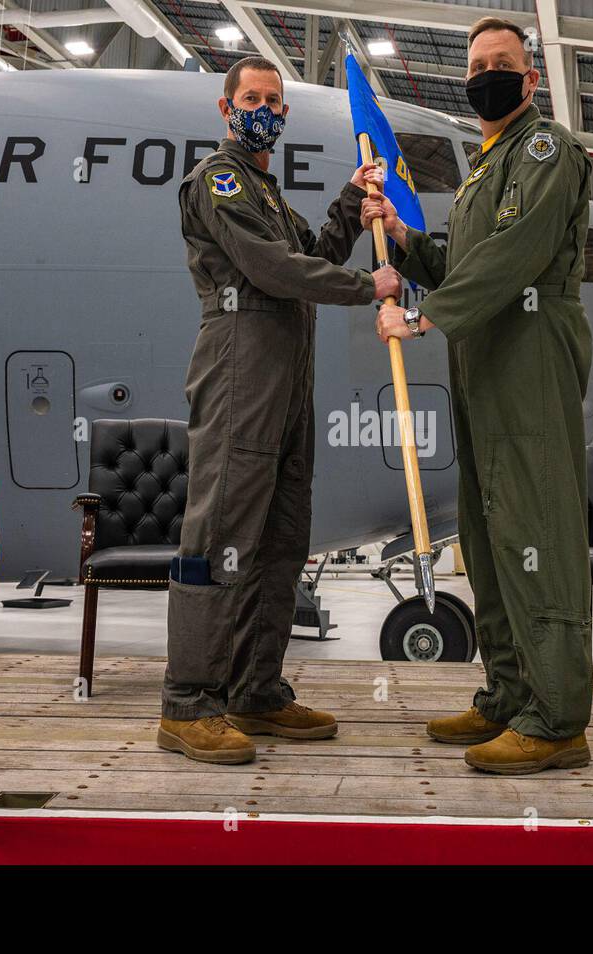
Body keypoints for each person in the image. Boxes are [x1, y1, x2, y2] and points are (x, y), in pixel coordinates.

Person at [362, 17, 593, 775]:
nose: (486, 74)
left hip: (527, 358)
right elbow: (459, 259)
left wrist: (424, 316)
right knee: (491, 541)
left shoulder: (543, 151)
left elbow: (511, 254)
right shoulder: (484, 168)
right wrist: (400, 234)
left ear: (531, 80)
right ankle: (507, 695)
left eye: (503, 64)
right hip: (482, 363)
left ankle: (557, 718)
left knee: (536, 532)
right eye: (477, 65)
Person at [159, 55, 401, 765]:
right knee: (221, 535)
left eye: (274, 99)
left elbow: (311, 251)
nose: (263, 107)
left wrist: (350, 207)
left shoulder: (268, 192)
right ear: (226, 107)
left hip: (288, 377)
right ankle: (188, 703)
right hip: (240, 372)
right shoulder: (222, 181)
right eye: (252, 97)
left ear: (285, 114)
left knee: (280, 540)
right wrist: (370, 287)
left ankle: (255, 691)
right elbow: (273, 270)